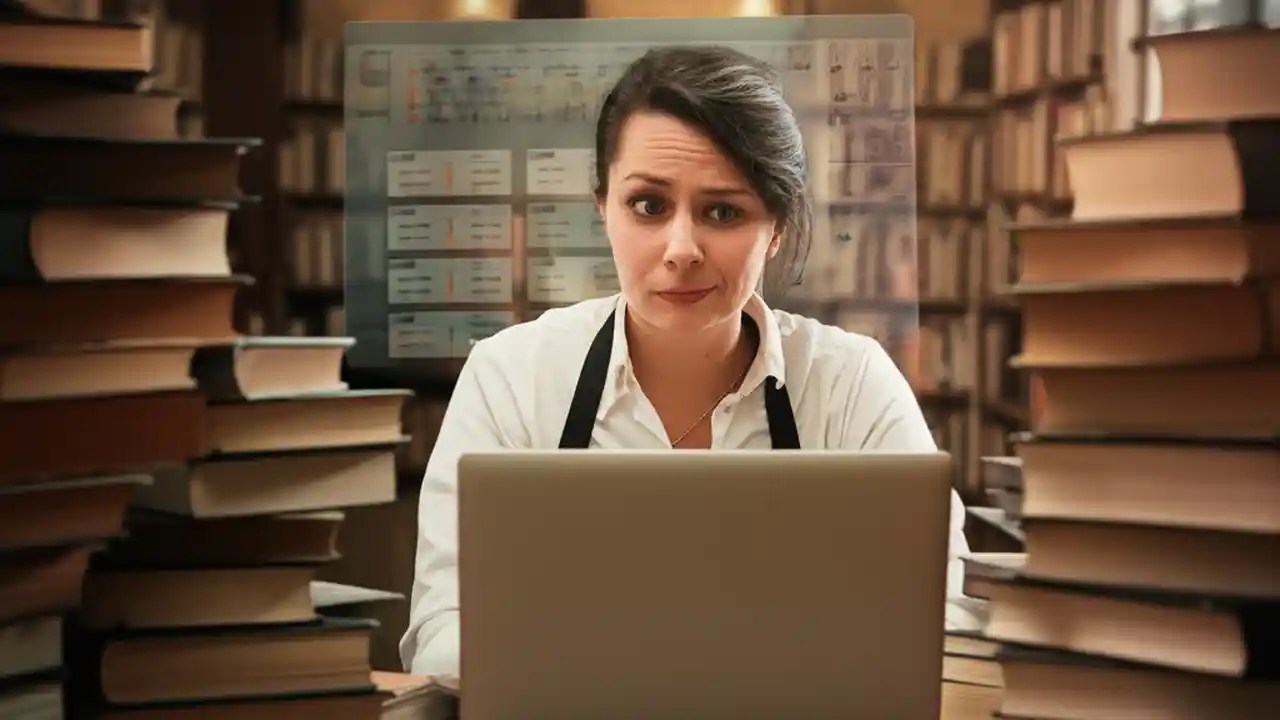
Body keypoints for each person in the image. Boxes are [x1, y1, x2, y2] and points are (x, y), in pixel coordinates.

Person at [401, 44, 971, 678]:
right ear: (603, 206)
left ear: (776, 228)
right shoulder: (511, 377)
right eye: (648, 205)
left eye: (723, 212)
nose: (681, 249)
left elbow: (942, 621)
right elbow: (442, 631)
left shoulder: (852, 387)